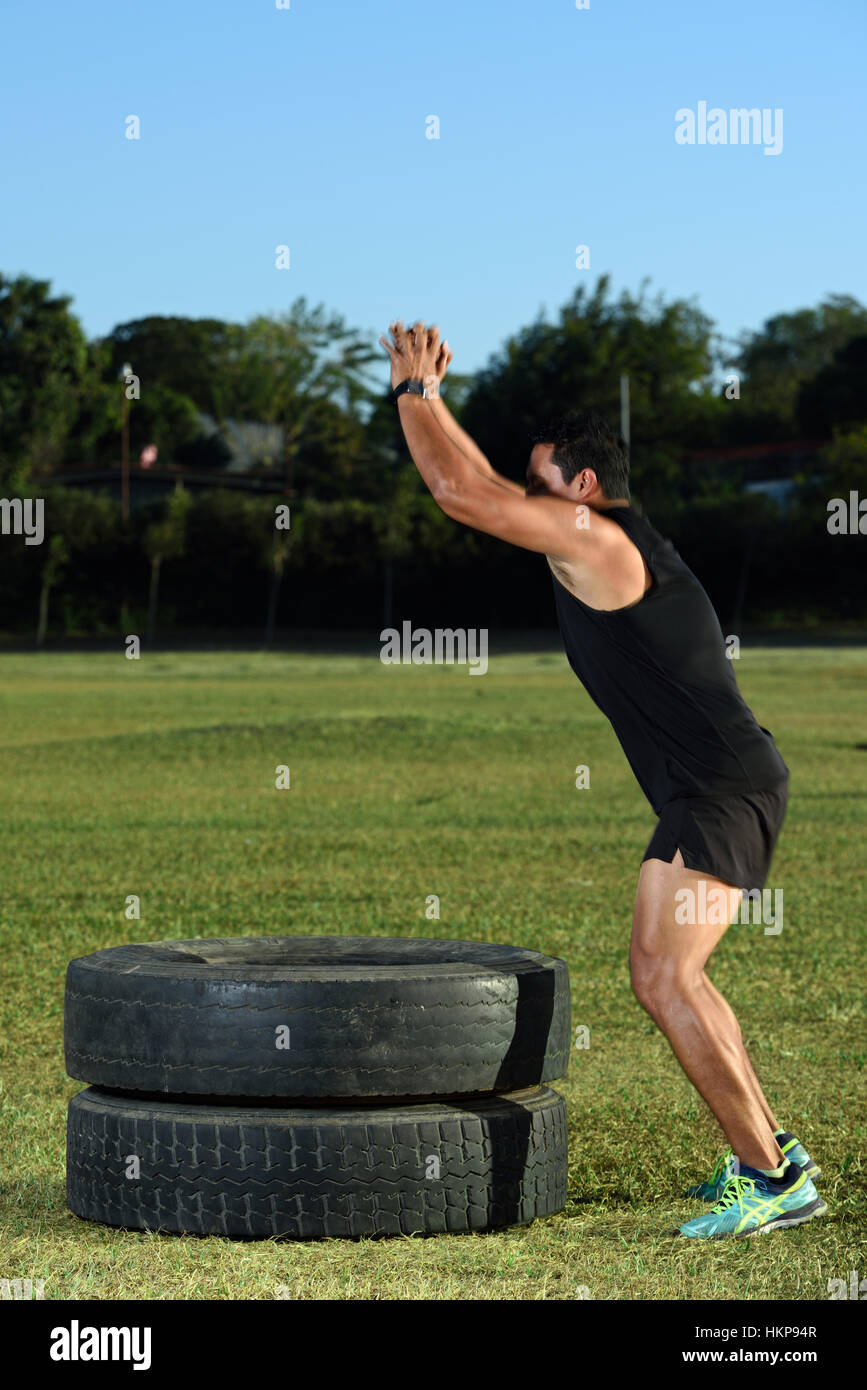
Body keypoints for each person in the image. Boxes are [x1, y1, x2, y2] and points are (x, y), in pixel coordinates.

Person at [379, 319, 827, 1239]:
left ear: (582, 488)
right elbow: (493, 487)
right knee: (676, 979)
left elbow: (462, 492)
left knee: (664, 979)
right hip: (715, 786)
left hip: (719, 790)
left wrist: (411, 397)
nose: (528, 498)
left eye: (543, 480)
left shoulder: (600, 544)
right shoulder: (600, 533)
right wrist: (437, 404)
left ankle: (770, 1178)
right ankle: (775, 1156)